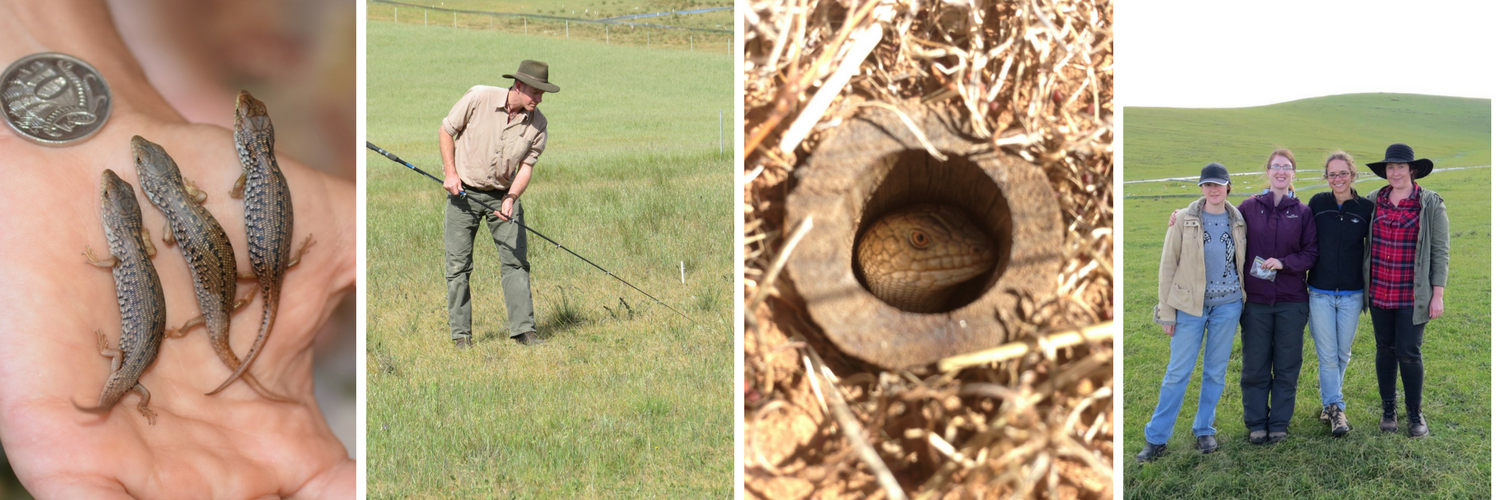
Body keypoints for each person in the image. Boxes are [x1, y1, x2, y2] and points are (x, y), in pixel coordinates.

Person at [0, 0, 355, 497]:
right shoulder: (179, 206)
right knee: (218, 317)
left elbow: (173, 235)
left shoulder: (169, 212)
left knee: (215, 317)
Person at [438, 59, 560, 349]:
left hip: (503, 197)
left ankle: (523, 332)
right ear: (518, 86)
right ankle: (461, 337)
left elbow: (526, 168)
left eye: (543, 94)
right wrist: (451, 173)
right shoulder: (479, 97)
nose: (539, 100)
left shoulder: (539, 124)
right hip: (462, 194)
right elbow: (446, 131)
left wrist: (511, 198)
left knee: (516, 263)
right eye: (536, 92)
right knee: (458, 266)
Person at [1136, 163, 1247, 463]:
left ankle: (1204, 429)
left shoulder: (1239, 220)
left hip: (1228, 305)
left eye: (1219, 184)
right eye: (1207, 184)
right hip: (1188, 307)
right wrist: (1166, 313)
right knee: (1177, 373)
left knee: (1215, 371)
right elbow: (1167, 266)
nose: (1213, 190)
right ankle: (1156, 438)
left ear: (1228, 187)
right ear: (1201, 188)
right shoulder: (1184, 219)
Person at [1363, 143, 1448, 438]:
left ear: (1412, 170)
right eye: (1390, 167)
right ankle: (1388, 410)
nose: (1395, 172)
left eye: (1400, 166)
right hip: (1379, 291)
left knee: (1410, 352)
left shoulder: (1430, 203)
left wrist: (1437, 295)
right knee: (1384, 351)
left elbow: (1440, 251)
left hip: (1413, 294)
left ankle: (1414, 412)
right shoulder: (1373, 200)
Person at [1237, 148, 1317, 445]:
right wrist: (1181, 215)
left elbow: (1311, 253)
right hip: (1256, 302)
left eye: (1286, 167)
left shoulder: (1303, 212)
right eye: (1275, 166)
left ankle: (1279, 423)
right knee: (1255, 364)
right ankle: (1257, 422)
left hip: (1291, 302)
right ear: (1267, 172)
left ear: (1293, 173)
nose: (1281, 171)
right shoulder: (1248, 207)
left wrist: (1285, 263)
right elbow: (1217, 216)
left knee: (1286, 364)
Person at [1305, 152, 1373, 437]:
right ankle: (1335, 408)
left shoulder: (1366, 208)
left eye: (1343, 173)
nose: (1337, 179)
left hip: (1352, 293)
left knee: (1342, 353)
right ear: (1326, 177)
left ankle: (1329, 403)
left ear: (1352, 174)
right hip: (1319, 292)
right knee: (1328, 356)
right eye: (1332, 174)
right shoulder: (1317, 203)